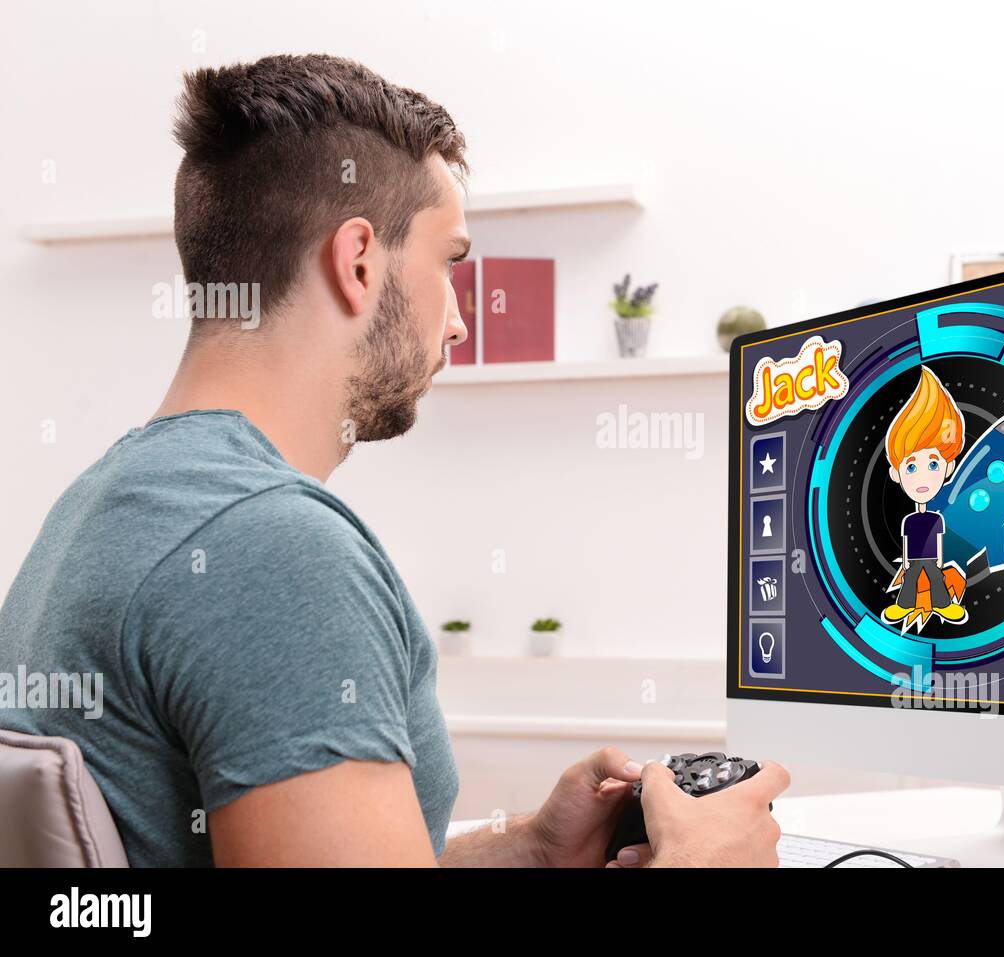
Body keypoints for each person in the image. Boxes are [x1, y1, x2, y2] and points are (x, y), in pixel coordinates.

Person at [0, 54, 787, 867]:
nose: (458, 322)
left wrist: (533, 851)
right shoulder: (270, 553)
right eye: (450, 264)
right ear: (360, 263)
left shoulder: (104, 504)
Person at [882, 366, 968, 629]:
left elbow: (939, 541)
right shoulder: (909, 520)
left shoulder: (934, 518)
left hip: (932, 559)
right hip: (916, 559)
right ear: (896, 474)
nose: (921, 477)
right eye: (911, 467)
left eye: (933, 465)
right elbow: (907, 543)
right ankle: (903, 605)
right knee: (910, 581)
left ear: (948, 467)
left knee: (935, 579)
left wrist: (940, 561)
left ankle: (943, 605)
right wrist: (907, 562)